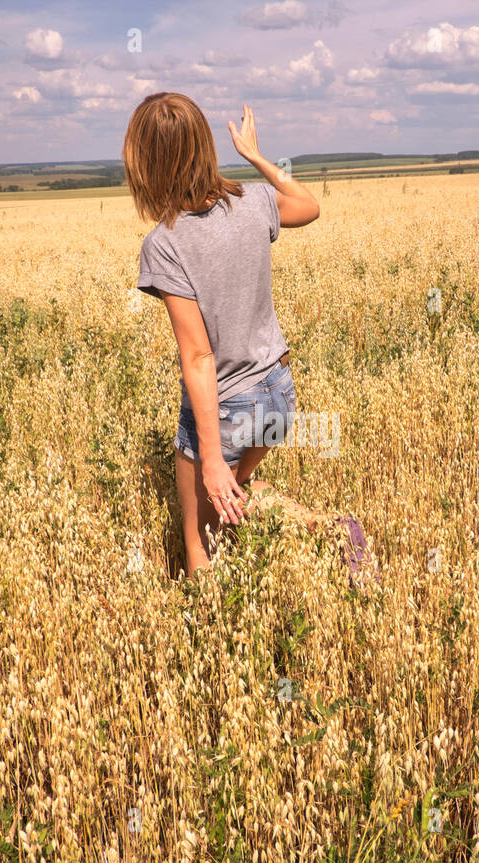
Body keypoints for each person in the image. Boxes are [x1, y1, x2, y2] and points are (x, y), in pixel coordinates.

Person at [122, 92, 373, 584]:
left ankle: (214, 630)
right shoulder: (253, 200)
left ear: (146, 166)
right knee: (237, 499)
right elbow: (309, 204)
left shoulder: (165, 244)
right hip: (279, 393)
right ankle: (335, 534)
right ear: (204, 147)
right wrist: (258, 157)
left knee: (199, 541)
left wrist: (210, 458)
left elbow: (197, 357)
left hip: (229, 406)